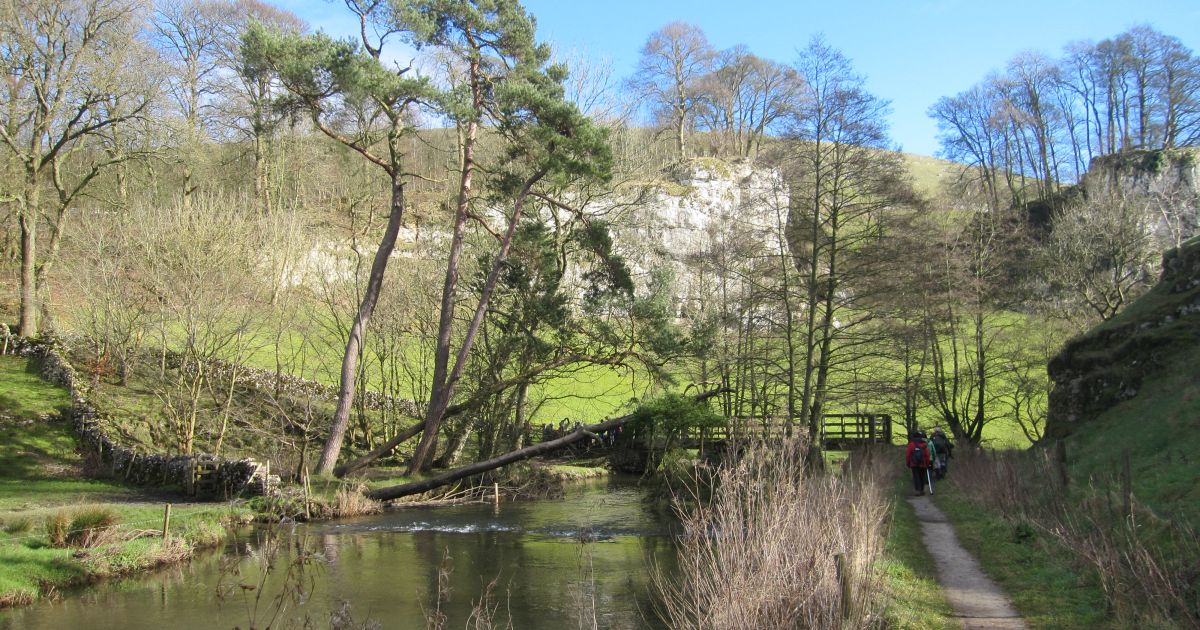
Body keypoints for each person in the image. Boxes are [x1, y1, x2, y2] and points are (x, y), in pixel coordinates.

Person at [906, 431, 932, 496]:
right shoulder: (924, 444)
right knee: (922, 477)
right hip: (923, 463)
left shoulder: (911, 444)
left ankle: (917, 490)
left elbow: (908, 455)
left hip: (914, 464)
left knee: (916, 477)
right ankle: (922, 490)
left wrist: (908, 463)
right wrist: (927, 463)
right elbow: (927, 455)